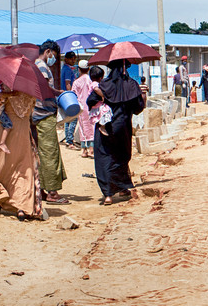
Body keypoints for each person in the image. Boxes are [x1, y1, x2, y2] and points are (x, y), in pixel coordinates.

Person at [0, 80, 44, 220]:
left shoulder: (6, 89)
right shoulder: (33, 90)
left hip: (4, 132)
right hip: (23, 132)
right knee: (23, 168)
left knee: (1, 167)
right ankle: (22, 207)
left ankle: (0, 199)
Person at [87, 60, 147, 204]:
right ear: (125, 68)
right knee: (121, 157)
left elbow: (90, 101)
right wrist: (143, 94)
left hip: (104, 127)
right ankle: (123, 188)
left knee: (104, 157)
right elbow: (138, 108)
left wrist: (103, 100)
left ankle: (108, 195)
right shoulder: (132, 85)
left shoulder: (103, 85)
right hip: (123, 127)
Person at [33, 40, 68, 205]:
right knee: (50, 153)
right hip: (44, 114)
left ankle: (41, 189)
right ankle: (52, 192)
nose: (54, 58)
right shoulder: (41, 66)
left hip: (38, 114)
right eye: (53, 55)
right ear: (48, 52)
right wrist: (58, 92)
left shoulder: (37, 65)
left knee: (41, 153)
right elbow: (45, 89)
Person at [72, 63, 100, 158]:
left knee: (82, 127)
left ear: (79, 69)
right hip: (91, 106)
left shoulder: (76, 82)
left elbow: (73, 95)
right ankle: (91, 149)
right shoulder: (91, 80)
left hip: (80, 107)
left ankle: (84, 150)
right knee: (91, 127)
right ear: (88, 69)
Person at [60, 51, 79, 147]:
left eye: (74, 59)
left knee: (68, 119)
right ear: (66, 59)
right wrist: (71, 95)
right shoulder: (67, 69)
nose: (73, 61)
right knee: (74, 118)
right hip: (68, 96)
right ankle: (70, 139)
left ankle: (68, 138)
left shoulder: (64, 68)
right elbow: (68, 83)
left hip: (64, 96)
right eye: (72, 59)